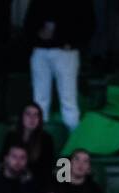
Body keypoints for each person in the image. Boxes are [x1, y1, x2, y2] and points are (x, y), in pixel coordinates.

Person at [25, 0, 95, 130]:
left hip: (65, 51)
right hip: (41, 49)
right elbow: (30, 22)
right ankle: (38, 142)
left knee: (68, 101)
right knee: (40, 101)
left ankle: (73, 144)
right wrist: (36, 36)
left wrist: (70, 41)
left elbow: (88, 23)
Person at [2, 103, 56, 185]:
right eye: (28, 114)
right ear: (22, 117)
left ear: (40, 119)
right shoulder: (11, 136)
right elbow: (3, 160)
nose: (32, 118)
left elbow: (47, 168)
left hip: (36, 182)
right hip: (12, 178)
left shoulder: (46, 139)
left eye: (36, 115)